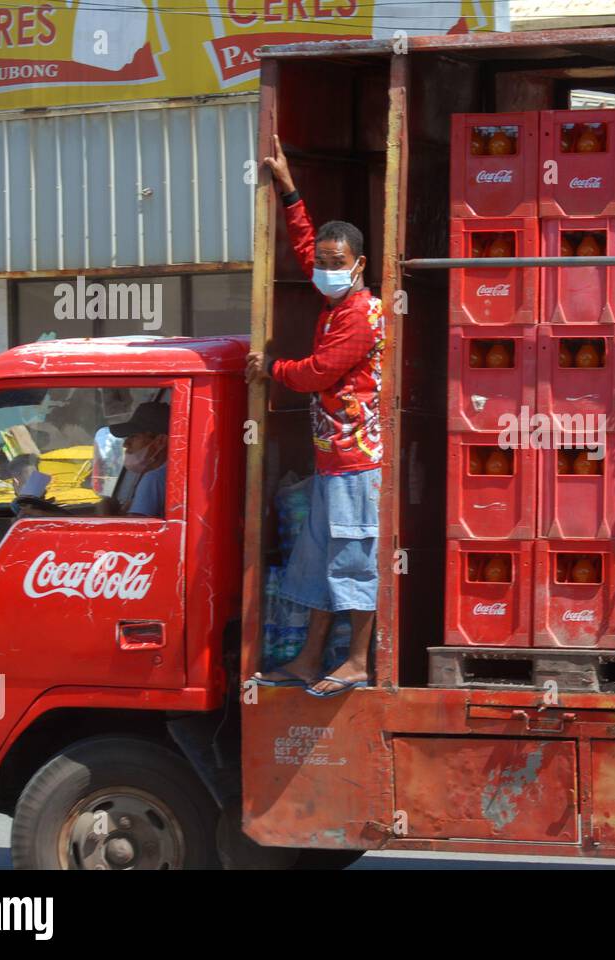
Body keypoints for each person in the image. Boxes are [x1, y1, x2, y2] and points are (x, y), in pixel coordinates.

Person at [246, 135, 384, 698]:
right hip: (333, 460)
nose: (325, 270)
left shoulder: (361, 315)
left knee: (352, 560)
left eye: (336, 264)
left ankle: (355, 661)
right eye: (324, 264)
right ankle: (309, 658)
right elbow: (305, 247)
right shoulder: (333, 301)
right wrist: (289, 187)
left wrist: (270, 369)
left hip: (358, 460)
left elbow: (319, 372)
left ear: (359, 266)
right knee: (322, 560)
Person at [109, 401, 170, 518]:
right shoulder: (168, 474)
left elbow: (134, 531)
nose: (126, 444)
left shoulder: (154, 478)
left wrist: (103, 510)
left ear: (160, 441)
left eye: (134, 436)